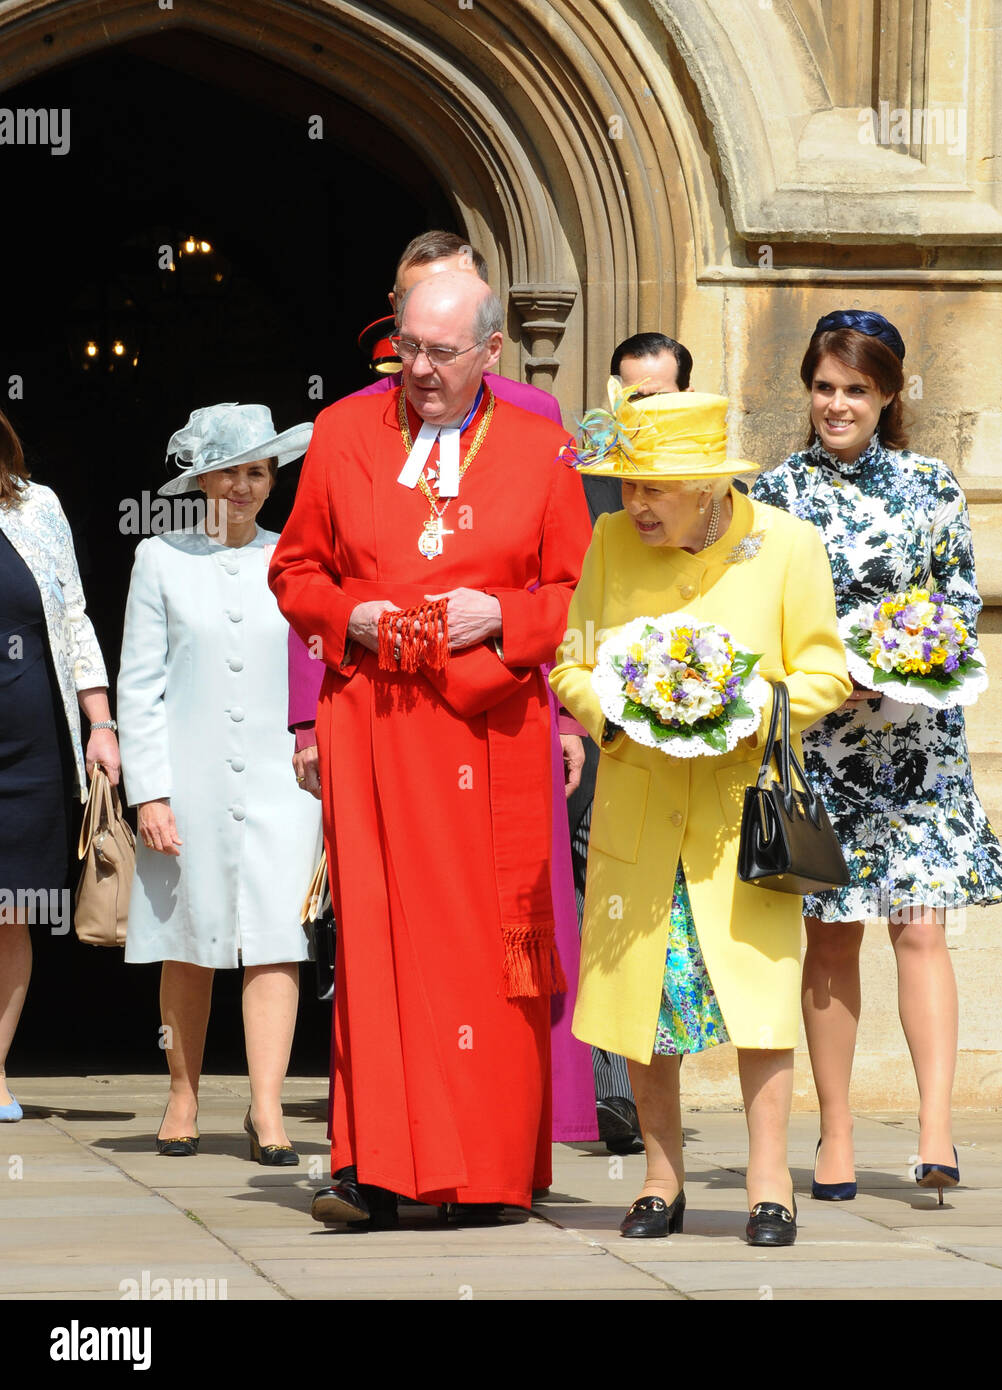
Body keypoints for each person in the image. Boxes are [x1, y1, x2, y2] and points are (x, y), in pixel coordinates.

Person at [269, 271, 593, 1228]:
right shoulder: (341, 434)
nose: (419, 370)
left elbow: (580, 597)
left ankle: (488, 1173)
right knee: (378, 946)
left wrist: (507, 613)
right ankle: (375, 1169)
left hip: (491, 730)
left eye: (441, 353)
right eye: (407, 348)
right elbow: (296, 568)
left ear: (492, 352)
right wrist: (349, 615)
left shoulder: (542, 447)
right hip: (373, 724)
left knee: (486, 953)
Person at [550, 388, 851, 1245]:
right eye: (627, 485)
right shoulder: (609, 542)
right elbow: (571, 662)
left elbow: (824, 671)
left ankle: (769, 1185)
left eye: (654, 488)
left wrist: (748, 702)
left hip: (739, 820)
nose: (632, 505)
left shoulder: (787, 545)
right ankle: (659, 1178)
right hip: (640, 813)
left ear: (712, 485)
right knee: (645, 1009)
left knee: (760, 1003)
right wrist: (621, 709)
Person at [751, 310, 1002, 1204]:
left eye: (856, 389)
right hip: (820, 745)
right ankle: (833, 1133)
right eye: (824, 387)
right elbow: (759, 616)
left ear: (889, 394)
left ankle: (936, 1130)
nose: (837, 403)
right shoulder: (775, 491)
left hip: (917, 749)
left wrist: (912, 676)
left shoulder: (932, 485)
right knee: (828, 939)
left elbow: (960, 602)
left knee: (921, 927)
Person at [118, 404, 322, 1162]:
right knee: (191, 938)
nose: (245, 485)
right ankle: (184, 1093)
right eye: (232, 470)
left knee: (276, 937)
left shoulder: (294, 557)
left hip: (282, 781)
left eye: (260, 472)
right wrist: (151, 792)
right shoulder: (159, 559)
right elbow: (139, 685)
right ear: (203, 475)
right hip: (190, 776)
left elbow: (317, 665)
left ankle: (266, 1110)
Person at [565, 331, 699, 1155]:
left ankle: (643, 1093)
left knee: (664, 919)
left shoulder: (707, 491)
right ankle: (611, 1092)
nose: (643, 407)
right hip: (598, 727)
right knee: (596, 907)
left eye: (659, 395)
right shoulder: (582, 484)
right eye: (632, 395)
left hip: (688, 740)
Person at [0, 408, 119, 1124]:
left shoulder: (35, 506)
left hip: (32, 748)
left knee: (10, 911)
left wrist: (100, 722)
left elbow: (73, 615)